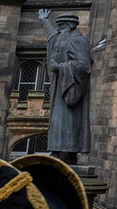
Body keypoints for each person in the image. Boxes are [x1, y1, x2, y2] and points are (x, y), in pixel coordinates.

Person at [39, 9, 91, 164]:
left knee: (68, 122)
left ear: (69, 26)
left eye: (61, 26)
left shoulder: (77, 40)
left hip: (71, 87)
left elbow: (84, 65)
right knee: (58, 120)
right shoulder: (63, 38)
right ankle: (57, 150)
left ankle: (68, 153)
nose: (58, 29)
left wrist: (60, 67)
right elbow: (53, 37)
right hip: (61, 88)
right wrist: (45, 21)